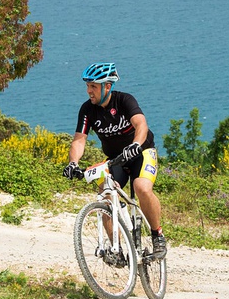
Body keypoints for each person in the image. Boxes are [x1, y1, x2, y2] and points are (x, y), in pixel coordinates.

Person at [63, 62, 166, 259]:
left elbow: (141, 124)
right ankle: (116, 249)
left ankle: (157, 235)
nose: (89, 91)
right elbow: (79, 140)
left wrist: (135, 145)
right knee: (105, 194)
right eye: (87, 86)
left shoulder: (124, 100)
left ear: (107, 86)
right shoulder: (87, 110)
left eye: (93, 86)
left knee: (142, 188)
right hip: (115, 160)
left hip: (142, 153)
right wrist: (73, 163)